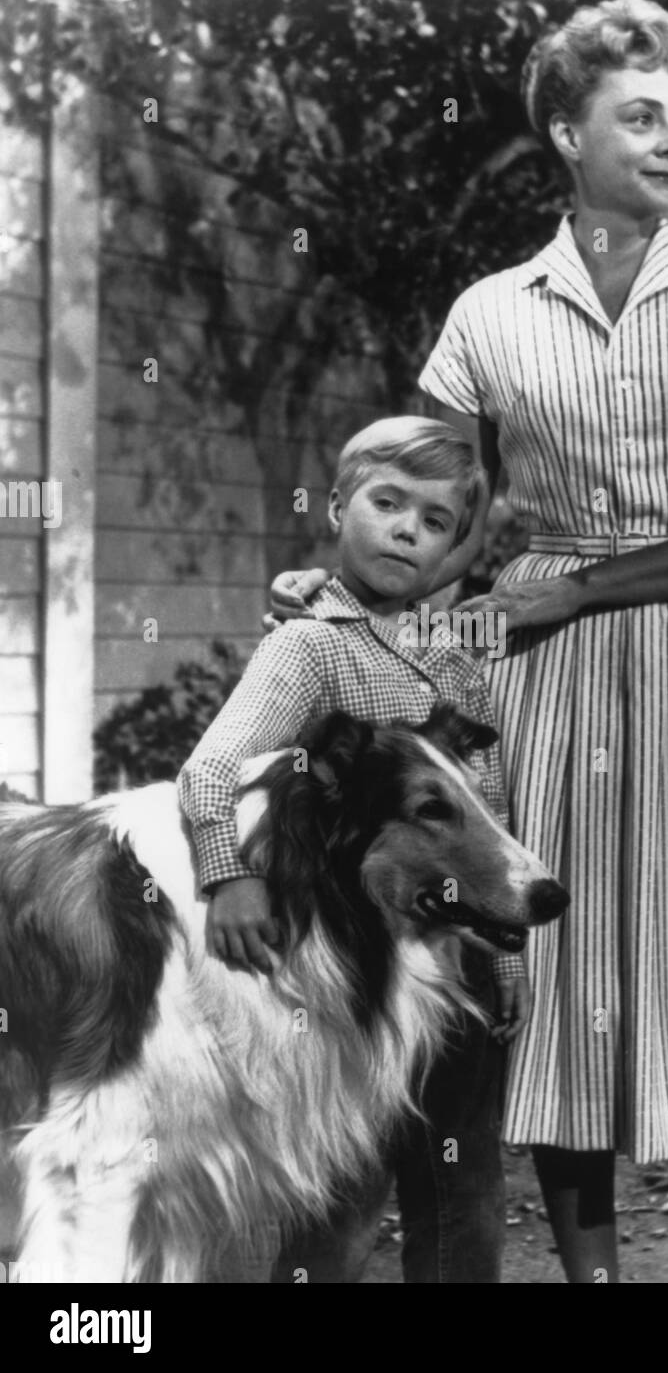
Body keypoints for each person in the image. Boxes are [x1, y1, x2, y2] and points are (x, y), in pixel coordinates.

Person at [272, 0, 668, 1284]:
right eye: (638, 116)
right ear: (564, 132)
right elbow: (428, 503)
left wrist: (580, 591)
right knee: (569, 973)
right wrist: (339, 598)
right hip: (545, 683)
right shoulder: (488, 314)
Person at [177, 416, 529, 1283]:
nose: (409, 529)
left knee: (464, 1198)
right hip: (352, 980)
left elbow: (486, 816)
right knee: (340, 1201)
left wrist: (505, 956)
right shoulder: (308, 647)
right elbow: (207, 772)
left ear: (451, 551)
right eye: (387, 503)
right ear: (337, 508)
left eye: (436, 522)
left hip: (456, 980)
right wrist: (228, 875)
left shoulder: (451, 663)